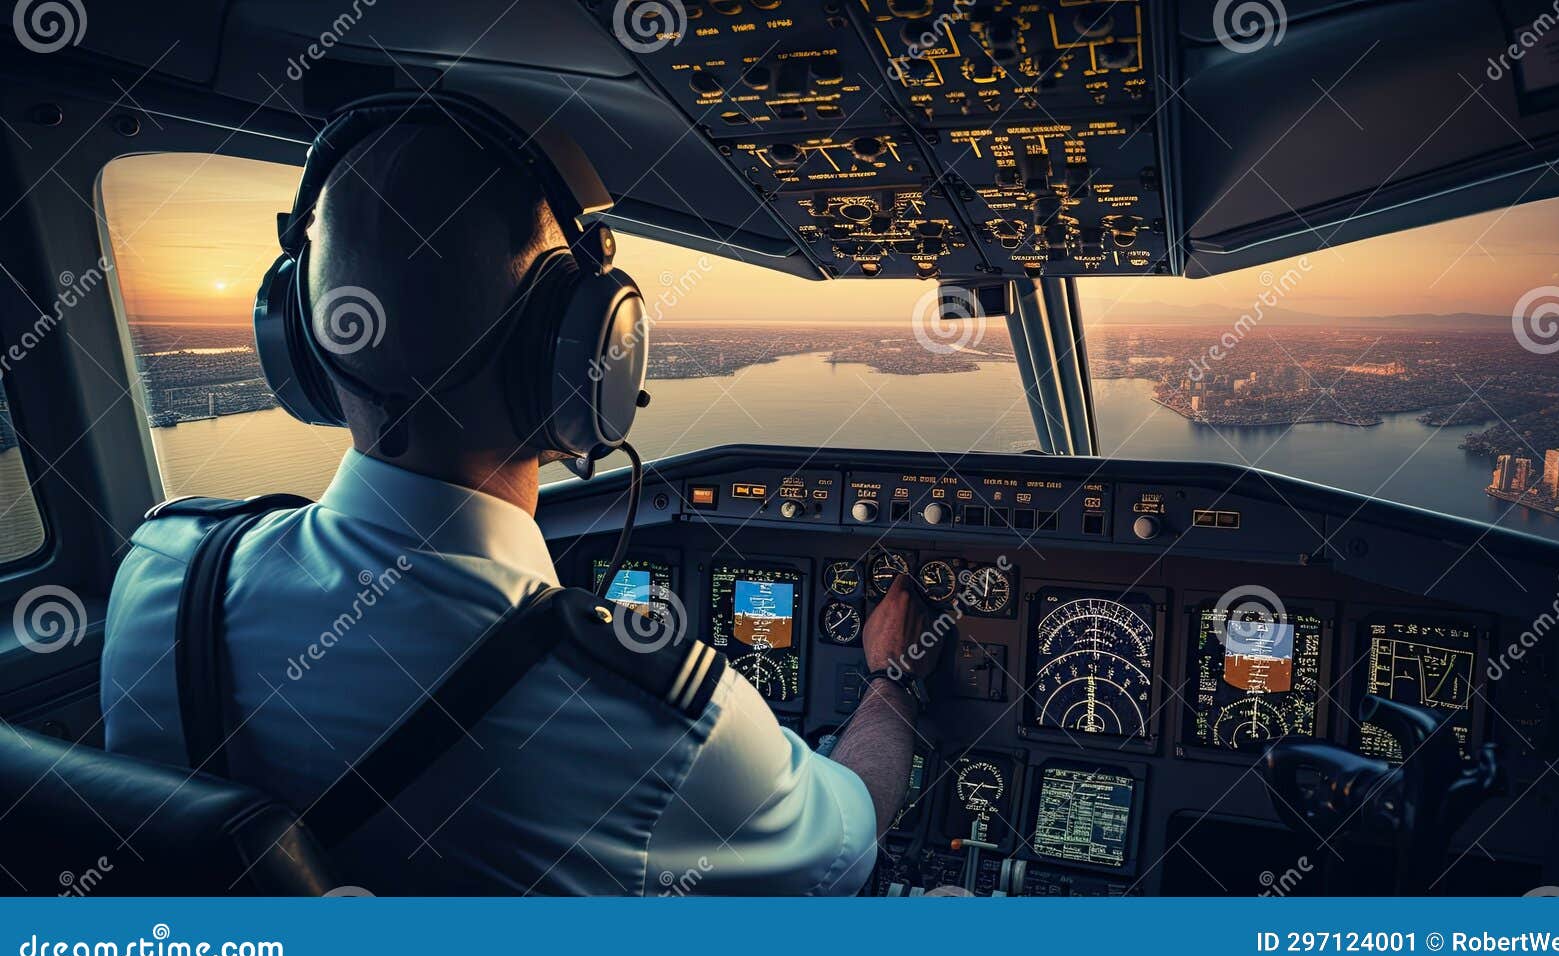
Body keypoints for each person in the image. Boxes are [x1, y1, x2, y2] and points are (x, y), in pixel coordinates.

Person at [98, 108, 946, 895]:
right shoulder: (650, 717)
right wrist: (890, 678)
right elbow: (851, 836)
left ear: (303, 345)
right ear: (587, 361)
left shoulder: (164, 576)